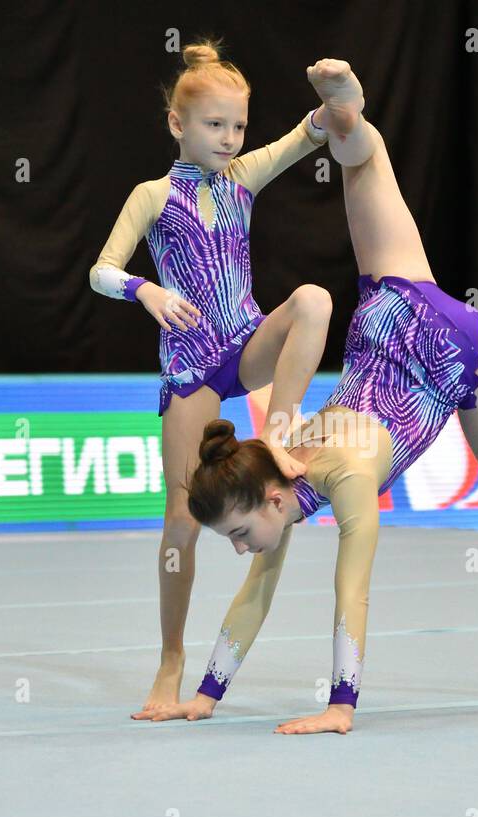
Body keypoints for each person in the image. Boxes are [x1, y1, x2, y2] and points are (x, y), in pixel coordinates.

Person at [139, 59, 478, 734]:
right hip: (400, 311)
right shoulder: (284, 483)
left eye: (241, 534)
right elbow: (256, 598)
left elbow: (349, 594)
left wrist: (340, 707)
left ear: (272, 496)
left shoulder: (344, 477)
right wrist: (206, 697)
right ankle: (346, 122)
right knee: (363, 164)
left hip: (436, 348)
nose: (243, 551)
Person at [89, 38, 334, 713]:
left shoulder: (242, 179)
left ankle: (279, 433)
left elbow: (306, 136)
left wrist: (336, 99)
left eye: (237, 127)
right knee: (180, 520)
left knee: (313, 300)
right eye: (213, 125)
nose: (228, 139)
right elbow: (102, 269)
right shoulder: (153, 196)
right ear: (177, 124)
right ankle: (170, 662)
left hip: (245, 342)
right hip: (192, 367)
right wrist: (145, 292)